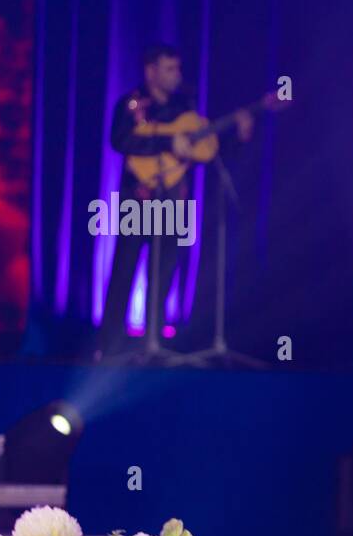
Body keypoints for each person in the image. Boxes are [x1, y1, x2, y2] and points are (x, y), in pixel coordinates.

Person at [97, 44, 252, 359]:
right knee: (125, 269)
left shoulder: (185, 106)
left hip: (173, 199)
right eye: (169, 69)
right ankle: (109, 347)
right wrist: (168, 141)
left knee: (164, 272)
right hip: (139, 197)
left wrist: (238, 134)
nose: (176, 75)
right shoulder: (133, 104)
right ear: (151, 71)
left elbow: (207, 150)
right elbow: (121, 139)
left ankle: (154, 344)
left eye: (178, 69)